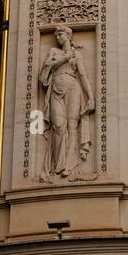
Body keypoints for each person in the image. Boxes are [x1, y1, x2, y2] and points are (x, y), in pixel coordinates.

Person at [38, 25, 95, 181]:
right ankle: (58, 165)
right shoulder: (54, 52)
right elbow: (44, 73)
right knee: (58, 126)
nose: (58, 37)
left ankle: (68, 167)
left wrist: (91, 97)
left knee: (72, 127)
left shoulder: (77, 54)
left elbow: (83, 76)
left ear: (69, 36)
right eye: (56, 35)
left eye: (61, 34)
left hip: (73, 89)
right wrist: (64, 58)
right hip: (56, 89)